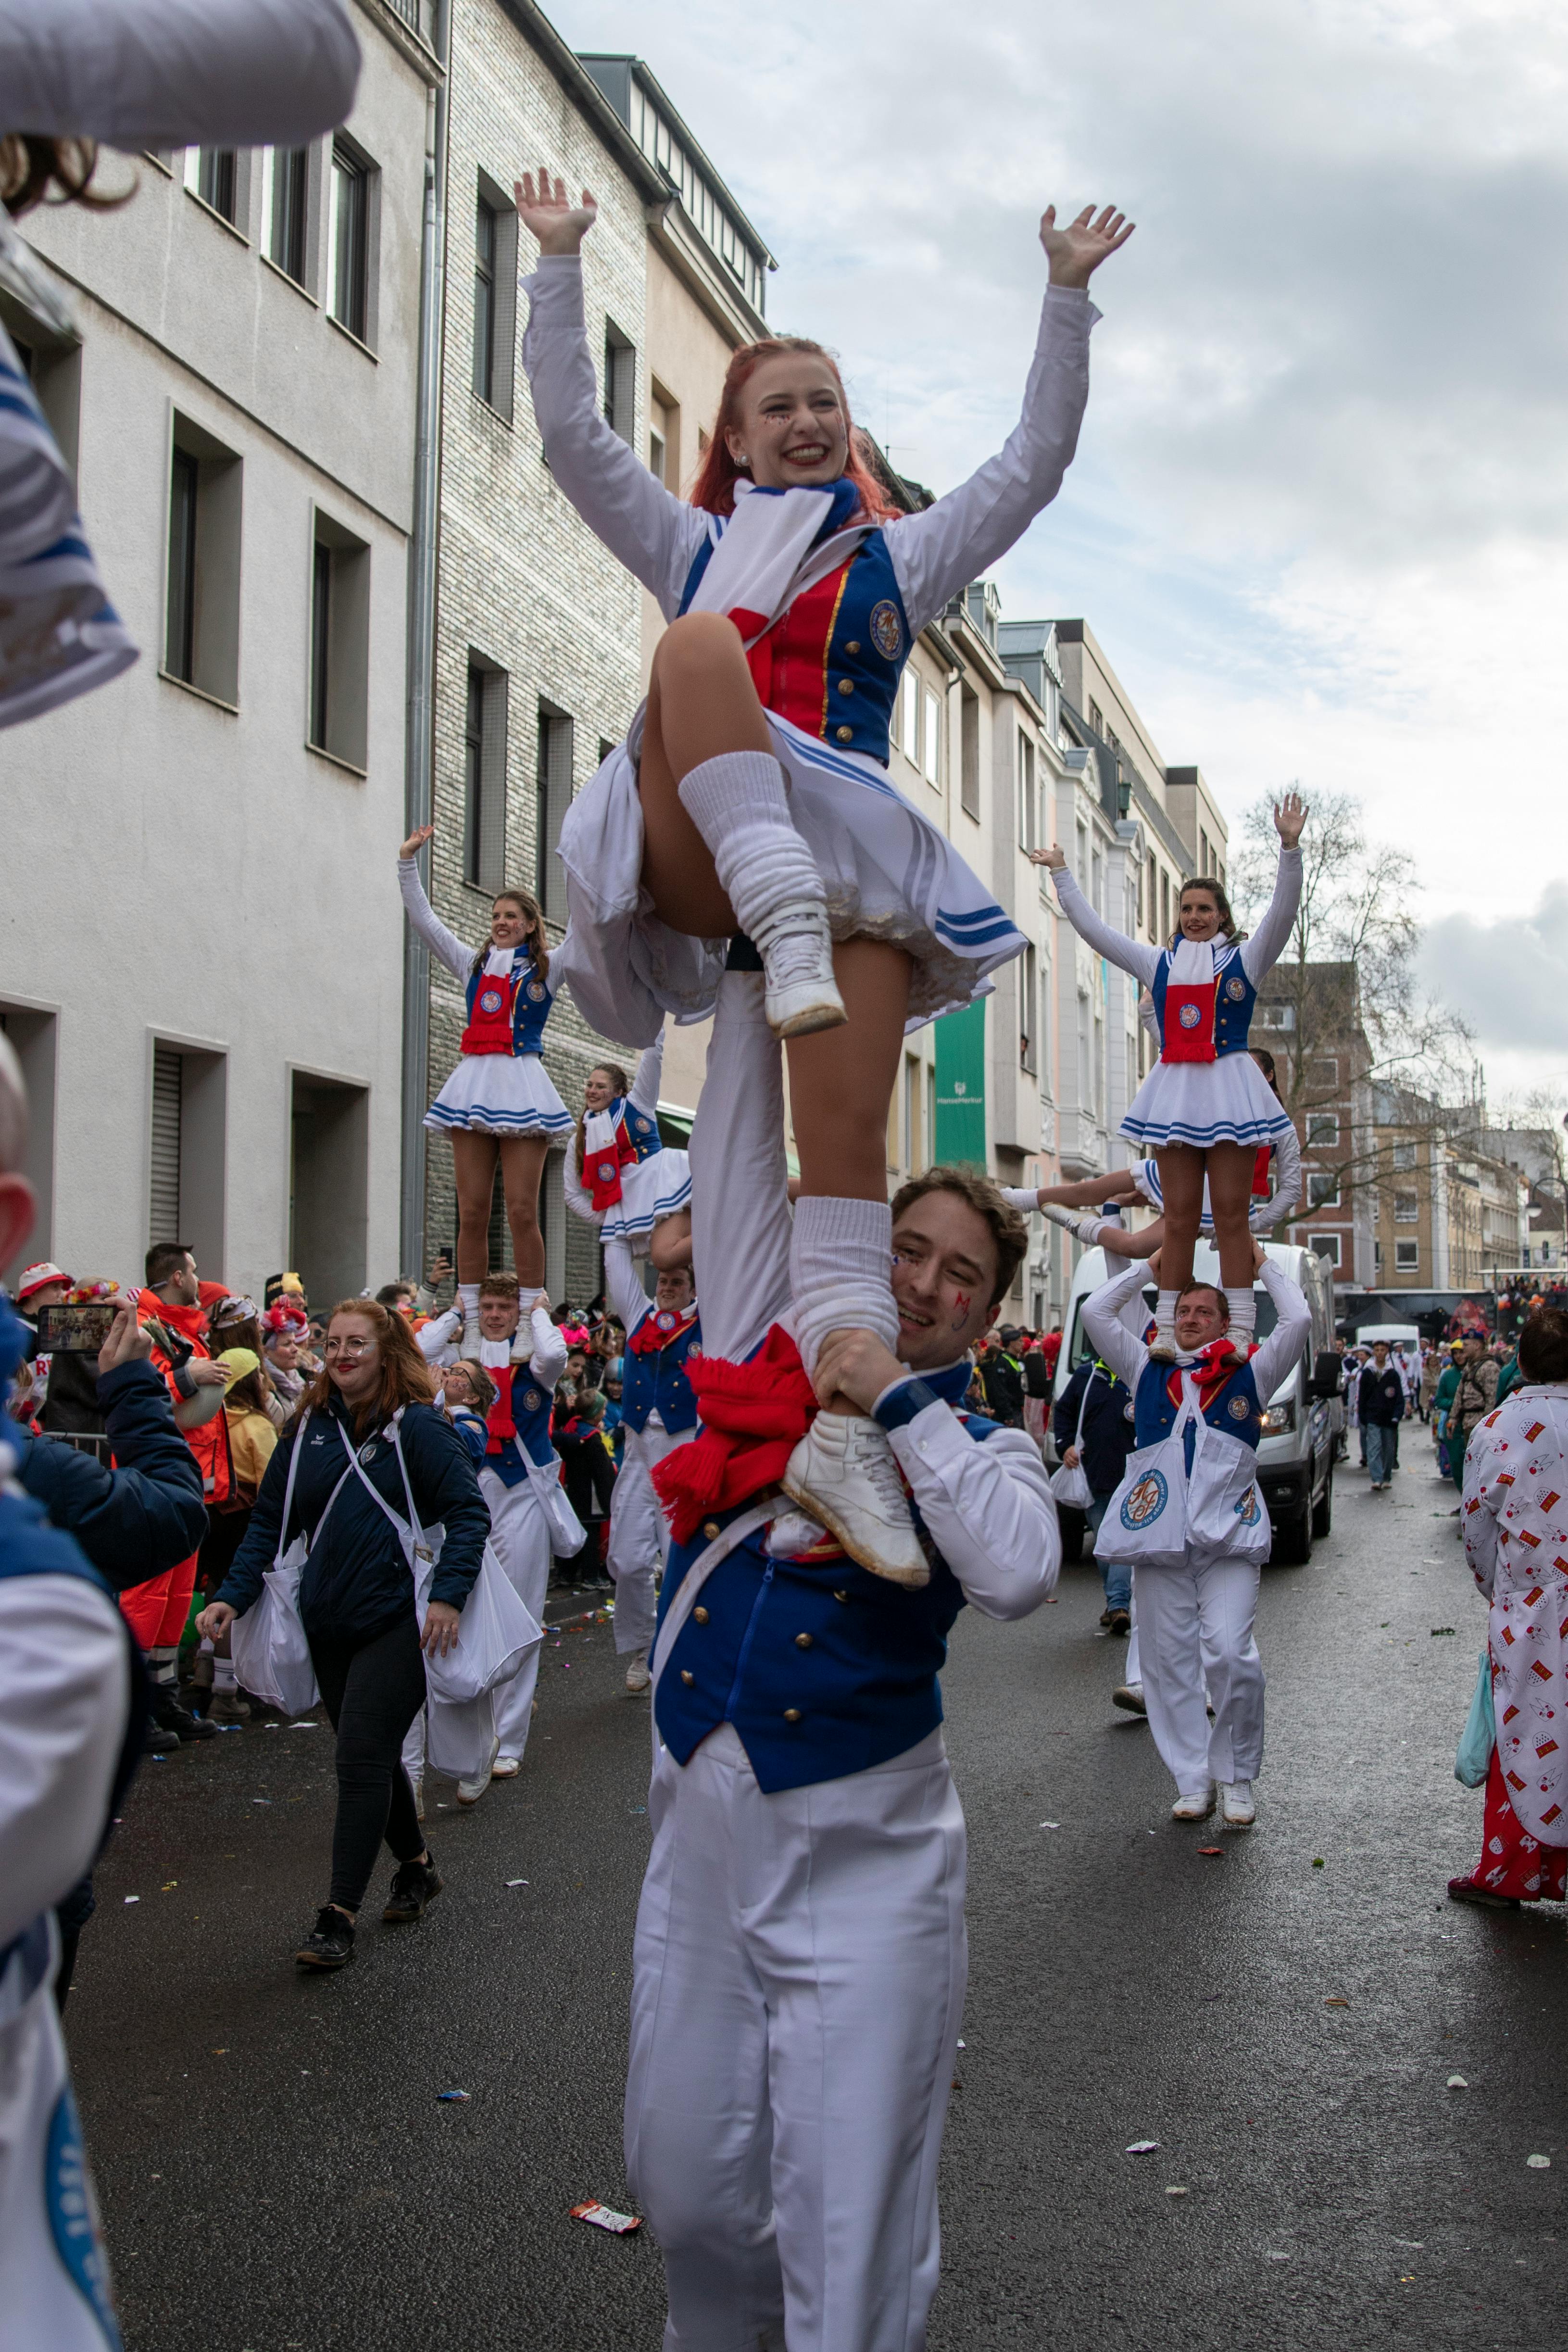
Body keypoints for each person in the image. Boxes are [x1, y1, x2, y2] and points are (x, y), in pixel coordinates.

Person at [516, 167, 1129, 1583]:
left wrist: (1063, 300)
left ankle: (838, 1441)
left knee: (820, 1163)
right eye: (776, 404)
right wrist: (554, 266)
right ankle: (774, 893)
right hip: (710, 863)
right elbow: (566, 434)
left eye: (824, 402)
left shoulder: (898, 558)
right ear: (731, 437)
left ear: (847, 431)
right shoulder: (691, 543)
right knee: (691, 652)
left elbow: (1027, 466)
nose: (804, 420)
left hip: (842, 881)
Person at [197, 1298, 489, 1970]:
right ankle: (416, 1865)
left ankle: (337, 1914)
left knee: (358, 1758)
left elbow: (468, 1514)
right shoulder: (306, 1426)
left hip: (397, 1620)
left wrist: (447, 1597)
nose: (342, 1354)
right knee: (375, 1755)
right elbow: (269, 1521)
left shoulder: (418, 1427)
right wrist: (230, 1598)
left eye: (358, 1343)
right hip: (325, 1618)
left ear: (388, 1352)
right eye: (332, 1342)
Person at [1032, 812, 1305, 1360]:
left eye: (1205, 909)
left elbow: (1283, 913)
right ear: (1177, 916)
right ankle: (1163, 1331)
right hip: (1178, 1097)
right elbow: (1095, 933)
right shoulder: (1158, 961)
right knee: (1178, 1219)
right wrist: (1062, 874)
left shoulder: (1244, 960)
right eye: (1186, 908)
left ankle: (1238, 1334)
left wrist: (1289, 848)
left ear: (1222, 916)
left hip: (1228, 1090)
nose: (1195, 916)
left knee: (1230, 1218)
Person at [1082, 1240, 1312, 1825]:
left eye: (1202, 1312)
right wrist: (1150, 1267)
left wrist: (1259, 1260)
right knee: (1166, 1664)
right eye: (1182, 1311)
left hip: (1228, 1540)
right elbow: (1095, 1314)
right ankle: (1192, 1777)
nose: (1189, 1320)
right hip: (1158, 1542)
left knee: (1233, 1655)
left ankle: (1236, 1776)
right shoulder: (1144, 1368)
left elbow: (1299, 1318)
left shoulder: (1251, 1372)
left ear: (1225, 1322)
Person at [395, 834, 572, 1344]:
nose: (501, 921)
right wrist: (408, 863)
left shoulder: (548, 966)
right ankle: (470, 1315)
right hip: (472, 1086)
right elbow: (425, 921)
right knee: (472, 1208)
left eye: (512, 915)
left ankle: (532, 1314)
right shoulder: (471, 964)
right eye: (496, 914)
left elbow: (588, 930)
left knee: (521, 1208)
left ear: (531, 924)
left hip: (523, 1085)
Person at [416, 1274, 580, 1783]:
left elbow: (555, 1354)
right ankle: (471, 1731)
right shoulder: (459, 1354)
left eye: (502, 1307)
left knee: (523, 1611)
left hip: (522, 1493)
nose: (493, 1314)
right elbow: (418, 1350)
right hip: (467, 1493)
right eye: (485, 1305)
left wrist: (538, 1312)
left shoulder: (533, 1357)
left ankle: (508, 1738)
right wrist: (454, 1312)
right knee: (460, 1607)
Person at [1449, 1306, 1568, 1908]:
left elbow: (1477, 1529)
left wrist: (1498, 1589)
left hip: (1532, 1608)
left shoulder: (1497, 1429)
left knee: (1524, 1731)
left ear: (1520, 1360)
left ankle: (1513, 1868)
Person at [599, 1228, 701, 1695]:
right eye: (662, 1280)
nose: (665, 1286)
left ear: (694, 1287)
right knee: (626, 1557)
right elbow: (618, 1270)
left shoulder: (708, 1323)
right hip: (639, 1448)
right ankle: (645, 1640)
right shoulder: (640, 1316)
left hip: (684, 1448)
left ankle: (677, 1647)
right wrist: (620, 1224)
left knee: (681, 1556)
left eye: (676, 1281)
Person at [564, 1035, 692, 1255]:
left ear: (619, 1092)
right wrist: (608, 1217)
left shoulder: (638, 1104)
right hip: (623, 1210)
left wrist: (655, 1015)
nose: (592, 1091)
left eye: (600, 1086)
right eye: (589, 1085)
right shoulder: (579, 1139)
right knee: (620, 1281)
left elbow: (653, 1055)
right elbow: (572, 1195)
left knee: (678, 1261)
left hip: (664, 1188)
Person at [1052, 1347, 1137, 1629]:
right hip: (1094, 1476)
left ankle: (1118, 1604)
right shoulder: (1087, 1375)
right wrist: (1065, 1446)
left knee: (1122, 1543)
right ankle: (1115, 1602)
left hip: (1132, 1479)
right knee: (1104, 1545)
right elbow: (1063, 1412)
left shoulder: (1137, 1377)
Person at [1444, 1331, 1500, 1513]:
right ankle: (1469, 1503)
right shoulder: (1470, 1367)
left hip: (1480, 1425)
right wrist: (1453, 1419)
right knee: (1467, 1468)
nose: (1463, 1348)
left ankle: (1483, 1508)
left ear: (1477, 1345)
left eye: (1466, 1344)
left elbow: (1492, 1400)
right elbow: (1460, 1397)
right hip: (1467, 1424)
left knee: (1481, 1470)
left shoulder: (1489, 1367)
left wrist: (1488, 1428)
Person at [1358, 1340, 1405, 1491]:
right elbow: (1363, 1396)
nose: (1380, 1353)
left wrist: (1397, 1415)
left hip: (1389, 1417)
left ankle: (1386, 1477)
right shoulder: (1368, 1372)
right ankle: (1377, 1478)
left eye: (1382, 1350)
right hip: (1373, 1416)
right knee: (1374, 1448)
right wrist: (1362, 1416)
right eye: (1377, 1350)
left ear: (1387, 1352)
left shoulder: (1392, 1373)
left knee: (1389, 1449)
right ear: (1374, 1352)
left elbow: (1399, 1397)